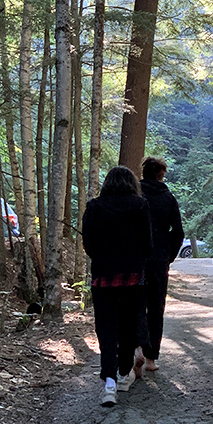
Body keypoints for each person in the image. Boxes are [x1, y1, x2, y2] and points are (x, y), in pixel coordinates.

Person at [82, 166, 152, 407]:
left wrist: (102, 259)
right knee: (129, 326)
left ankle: (109, 381)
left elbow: (88, 243)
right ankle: (124, 373)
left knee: (106, 328)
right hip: (132, 276)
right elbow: (147, 243)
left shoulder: (94, 206)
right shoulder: (140, 205)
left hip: (103, 277)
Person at [137, 155, 184, 372]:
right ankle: (151, 359)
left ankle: (136, 348)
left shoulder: (134, 195)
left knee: (135, 306)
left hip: (135, 260)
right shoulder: (168, 198)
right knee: (156, 308)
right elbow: (179, 231)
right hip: (158, 261)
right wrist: (169, 255)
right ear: (160, 174)